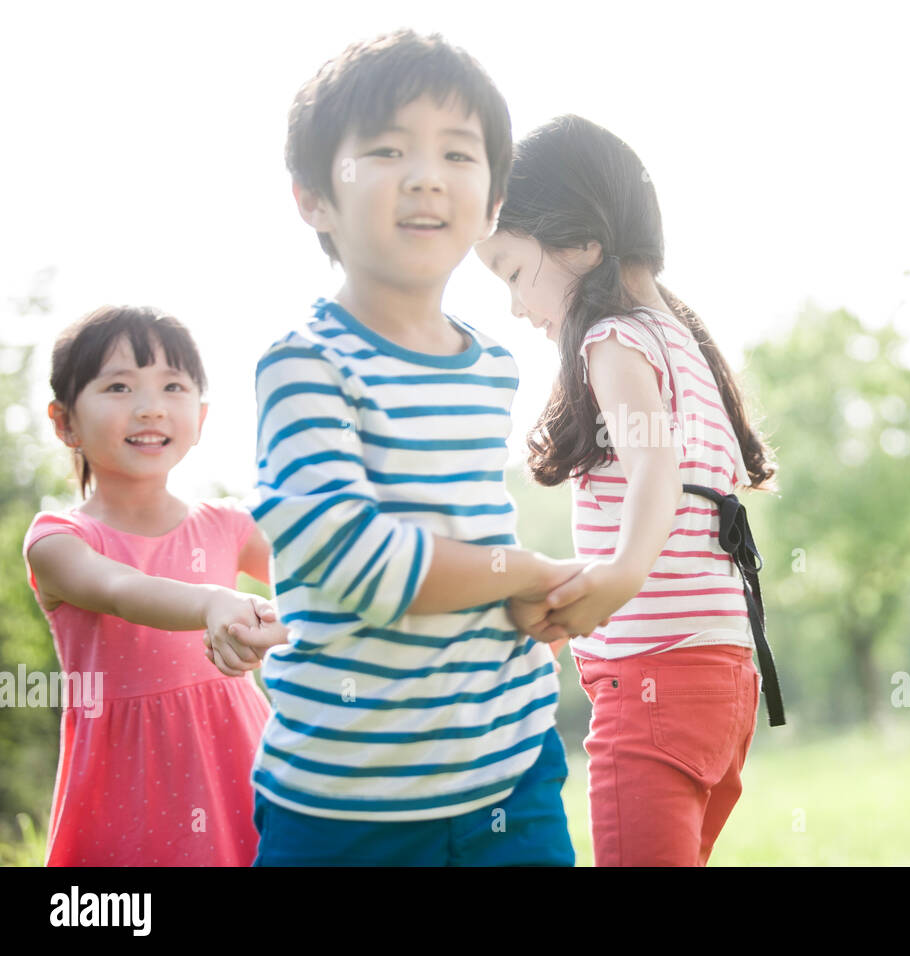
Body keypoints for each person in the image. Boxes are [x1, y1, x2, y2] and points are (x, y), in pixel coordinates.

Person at [237, 30, 591, 867]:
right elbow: (368, 566)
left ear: (494, 200)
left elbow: (466, 537)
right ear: (314, 198)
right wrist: (533, 575)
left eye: (458, 153)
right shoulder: (305, 365)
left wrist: (516, 605)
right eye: (387, 150)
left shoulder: (494, 367)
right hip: (347, 803)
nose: (428, 174)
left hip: (511, 775)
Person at [476, 114, 780, 866]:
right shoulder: (681, 336)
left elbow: (653, 468)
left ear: (582, 243)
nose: (515, 306)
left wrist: (617, 577)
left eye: (513, 273)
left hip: (655, 682)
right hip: (723, 675)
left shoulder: (610, 337)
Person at [22, 304, 286, 866]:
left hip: (247, 763)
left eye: (173, 386)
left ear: (201, 415)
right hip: (129, 789)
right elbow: (121, 588)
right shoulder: (60, 539)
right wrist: (214, 602)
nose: (150, 408)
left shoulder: (230, 525)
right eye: (118, 386)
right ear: (64, 421)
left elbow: (324, 574)